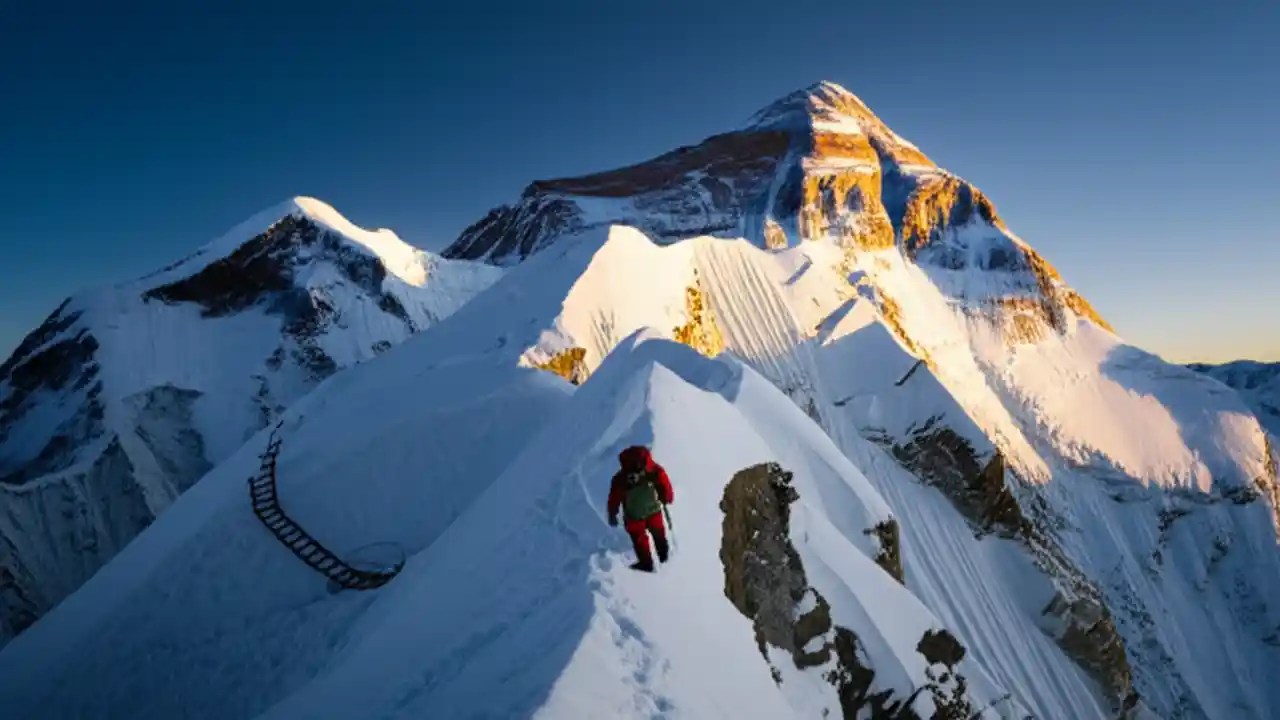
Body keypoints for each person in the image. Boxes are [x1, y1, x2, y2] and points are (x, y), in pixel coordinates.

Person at [607, 445, 674, 572]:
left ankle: (646, 564)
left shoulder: (620, 478)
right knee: (659, 533)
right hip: (654, 509)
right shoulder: (653, 470)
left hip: (634, 515)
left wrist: (612, 514)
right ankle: (665, 559)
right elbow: (664, 482)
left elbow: (614, 498)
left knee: (639, 539)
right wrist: (667, 497)